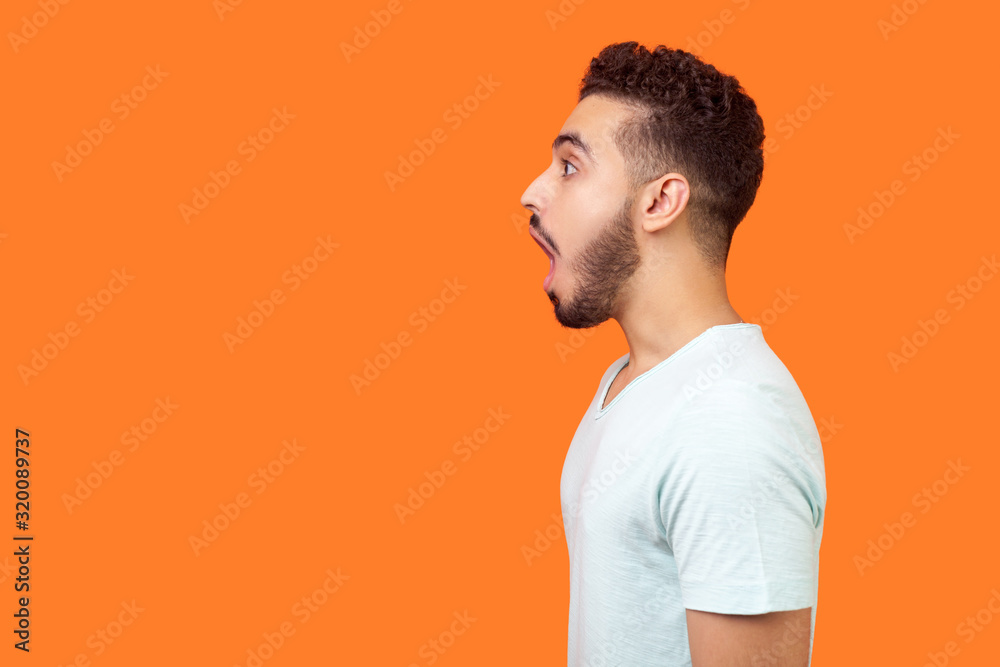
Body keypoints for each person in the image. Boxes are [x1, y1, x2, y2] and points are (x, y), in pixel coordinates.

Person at [519, 42, 827, 666]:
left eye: (570, 167)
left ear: (660, 202)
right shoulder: (634, 381)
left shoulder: (730, 421)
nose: (532, 192)